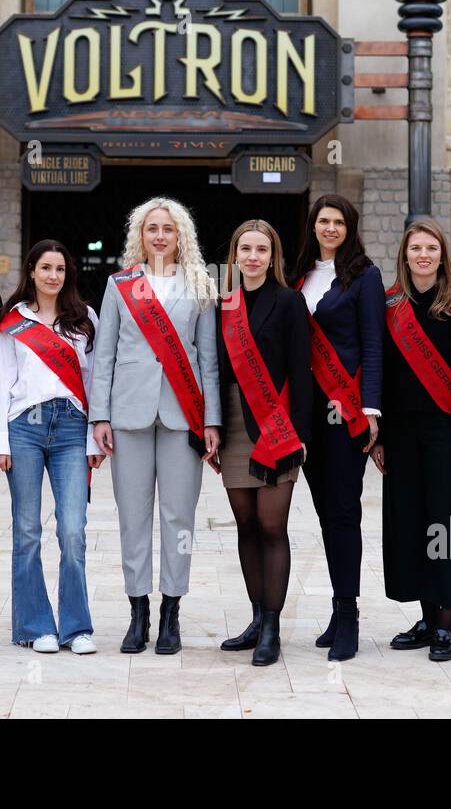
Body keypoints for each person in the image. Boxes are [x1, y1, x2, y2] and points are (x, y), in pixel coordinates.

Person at [90, 197, 221, 655]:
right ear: (140, 236)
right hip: (128, 413)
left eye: (168, 228)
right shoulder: (120, 285)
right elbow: (104, 354)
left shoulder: (200, 285)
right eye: (152, 228)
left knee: (179, 516)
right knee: (133, 515)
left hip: (183, 415)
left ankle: (171, 611)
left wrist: (212, 420)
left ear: (181, 235)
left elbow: (208, 360)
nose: (160, 236)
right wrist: (100, 415)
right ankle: (138, 610)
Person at [373, 218, 451, 663]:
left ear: (443, 255)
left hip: (449, 434)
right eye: (416, 248)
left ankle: (446, 626)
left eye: (431, 248)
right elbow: (380, 373)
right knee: (412, 524)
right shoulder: (390, 305)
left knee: (450, 527)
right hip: (401, 434)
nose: (423, 255)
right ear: (404, 255)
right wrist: (379, 436)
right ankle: (425, 618)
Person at [0, 239, 103, 655]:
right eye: (45, 268)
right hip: (24, 427)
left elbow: (93, 383)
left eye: (59, 268)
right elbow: (3, 380)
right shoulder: (15, 320)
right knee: (27, 530)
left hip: (72, 426)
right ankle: (35, 626)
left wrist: (94, 436)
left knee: (72, 530)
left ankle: (76, 628)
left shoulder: (85, 319)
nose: (53, 276)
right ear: (32, 272)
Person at [215, 220, 312, 666]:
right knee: (247, 526)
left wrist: (301, 433)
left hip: (277, 425)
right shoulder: (223, 304)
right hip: (235, 424)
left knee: (272, 526)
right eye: (245, 249)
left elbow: (302, 369)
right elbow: (214, 370)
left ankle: (272, 626)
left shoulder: (289, 301)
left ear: (273, 257)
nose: (253, 257)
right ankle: (256, 619)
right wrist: (211, 428)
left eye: (261, 249)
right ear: (235, 255)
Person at [291, 194, 384, 662]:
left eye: (339, 222)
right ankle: (336, 608)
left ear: (350, 228)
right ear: (313, 225)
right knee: (326, 512)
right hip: (306, 415)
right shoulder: (299, 275)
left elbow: (373, 343)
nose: (330, 228)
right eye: (323, 221)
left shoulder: (365, 276)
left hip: (345, 412)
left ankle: (349, 614)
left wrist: (371, 409)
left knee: (345, 511)